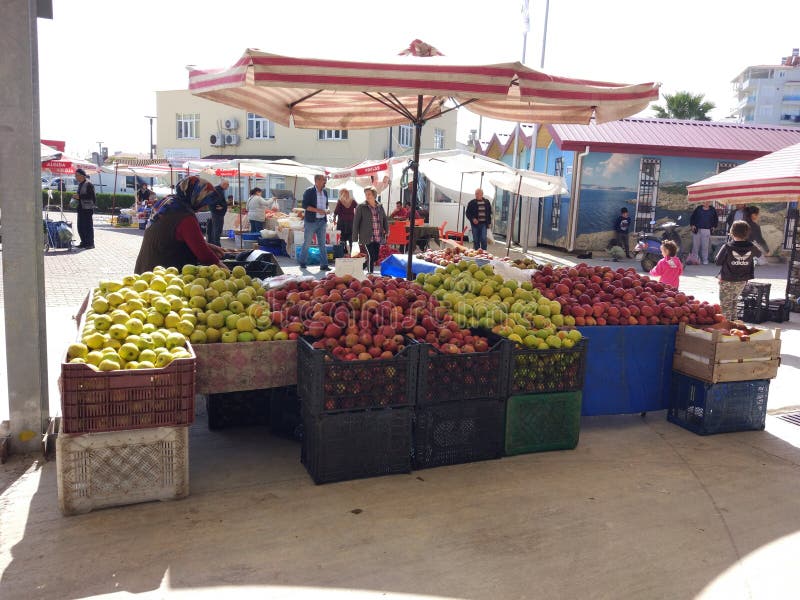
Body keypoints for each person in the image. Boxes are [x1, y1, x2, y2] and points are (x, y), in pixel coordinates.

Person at [134, 176, 227, 274]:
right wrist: (227, 272)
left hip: (145, 269)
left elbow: (172, 236)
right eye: (204, 202)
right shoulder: (185, 216)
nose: (205, 206)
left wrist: (208, 245)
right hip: (163, 275)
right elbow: (204, 255)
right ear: (196, 197)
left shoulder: (168, 203)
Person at [714, 220, 761, 321]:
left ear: (731, 232)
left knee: (725, 305)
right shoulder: (752, 247)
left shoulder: (727, 246)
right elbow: (759, 254)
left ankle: (726, 327)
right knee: (734, 302)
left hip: (727, 280)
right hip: (742, 280)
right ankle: (734, 326)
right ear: (747, 233)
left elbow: (718, 261)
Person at [353, 185, 388, 273]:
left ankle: (358, 269)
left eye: (369, 194)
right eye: (366, 194)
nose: (367, 196)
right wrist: (354, 239)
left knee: (375, 257)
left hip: (377, 236)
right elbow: (356, 223)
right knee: (370, 256)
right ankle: (370, 274)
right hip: (366, 237)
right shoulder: (361, 207)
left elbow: (384, 219)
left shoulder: (380, 206)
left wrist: (387, 230)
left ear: (374, 195)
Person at [300, 174, 330, 271]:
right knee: (307, 242)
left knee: (322, 243)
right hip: (311, 221)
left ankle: (324, 265)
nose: (325, 182)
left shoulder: (325, 192)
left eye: (325, 180)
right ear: (317, 181)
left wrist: (327, 210)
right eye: (323, 180)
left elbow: (326, 205)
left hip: (322, 221)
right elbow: (305, 205)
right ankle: (303, 262)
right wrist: (318, 210)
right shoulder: (309, 191)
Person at [689, 200, 719, 265]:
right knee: (695, 246)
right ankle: (694, 259)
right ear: (702, 202)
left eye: (708, 202)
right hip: (697, 229)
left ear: (710, 202)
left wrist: (714, 226)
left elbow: (716, 219)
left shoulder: (712, 210)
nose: (706, 203)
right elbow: (692, 217)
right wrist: (692, 225)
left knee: (705, 246)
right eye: (705, 202)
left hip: (707, 229)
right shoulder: (698, 208)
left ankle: (705, 260)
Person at [72, 168, 96, 249]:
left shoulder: (89, 184)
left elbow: (92, 197)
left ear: (82, 176)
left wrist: (80, 196)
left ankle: (90, 243)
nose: (75, 177)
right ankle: (84, 242)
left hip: (87, 209)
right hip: (81, 208)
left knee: (88, 227)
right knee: (80, 226)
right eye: (75, 175)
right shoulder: (80, 184)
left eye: (77, 175)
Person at [206, 180, 230, 245]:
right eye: (228, 185)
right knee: (217, 229)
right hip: (217, 213)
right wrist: (220, 206)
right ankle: (216, 244)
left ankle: (215, 243)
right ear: (224, 184)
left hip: (217, 212)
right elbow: (214, 201)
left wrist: (222, 205)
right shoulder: (217, 190)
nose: (228, 186)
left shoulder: (219, 190)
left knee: (217, 228)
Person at [333, 188, 356, 254]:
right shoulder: (352, 201)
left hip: (342, 223)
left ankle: (342, 252)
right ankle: (352, 253)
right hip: (351, 223)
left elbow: (335, 212)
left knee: (342, 238)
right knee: (351, 238)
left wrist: (334, 220)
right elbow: (358, 208)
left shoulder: (340, 201)